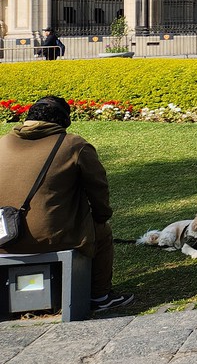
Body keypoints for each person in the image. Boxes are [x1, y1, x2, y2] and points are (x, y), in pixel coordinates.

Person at [0, 96, 135, 313]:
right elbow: (98, 189)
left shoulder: (3, 143)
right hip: (49, 237)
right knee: (102, 231)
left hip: (3, 238)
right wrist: (100, 217)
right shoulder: (73, 145)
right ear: (64, 122)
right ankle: (100, 296)